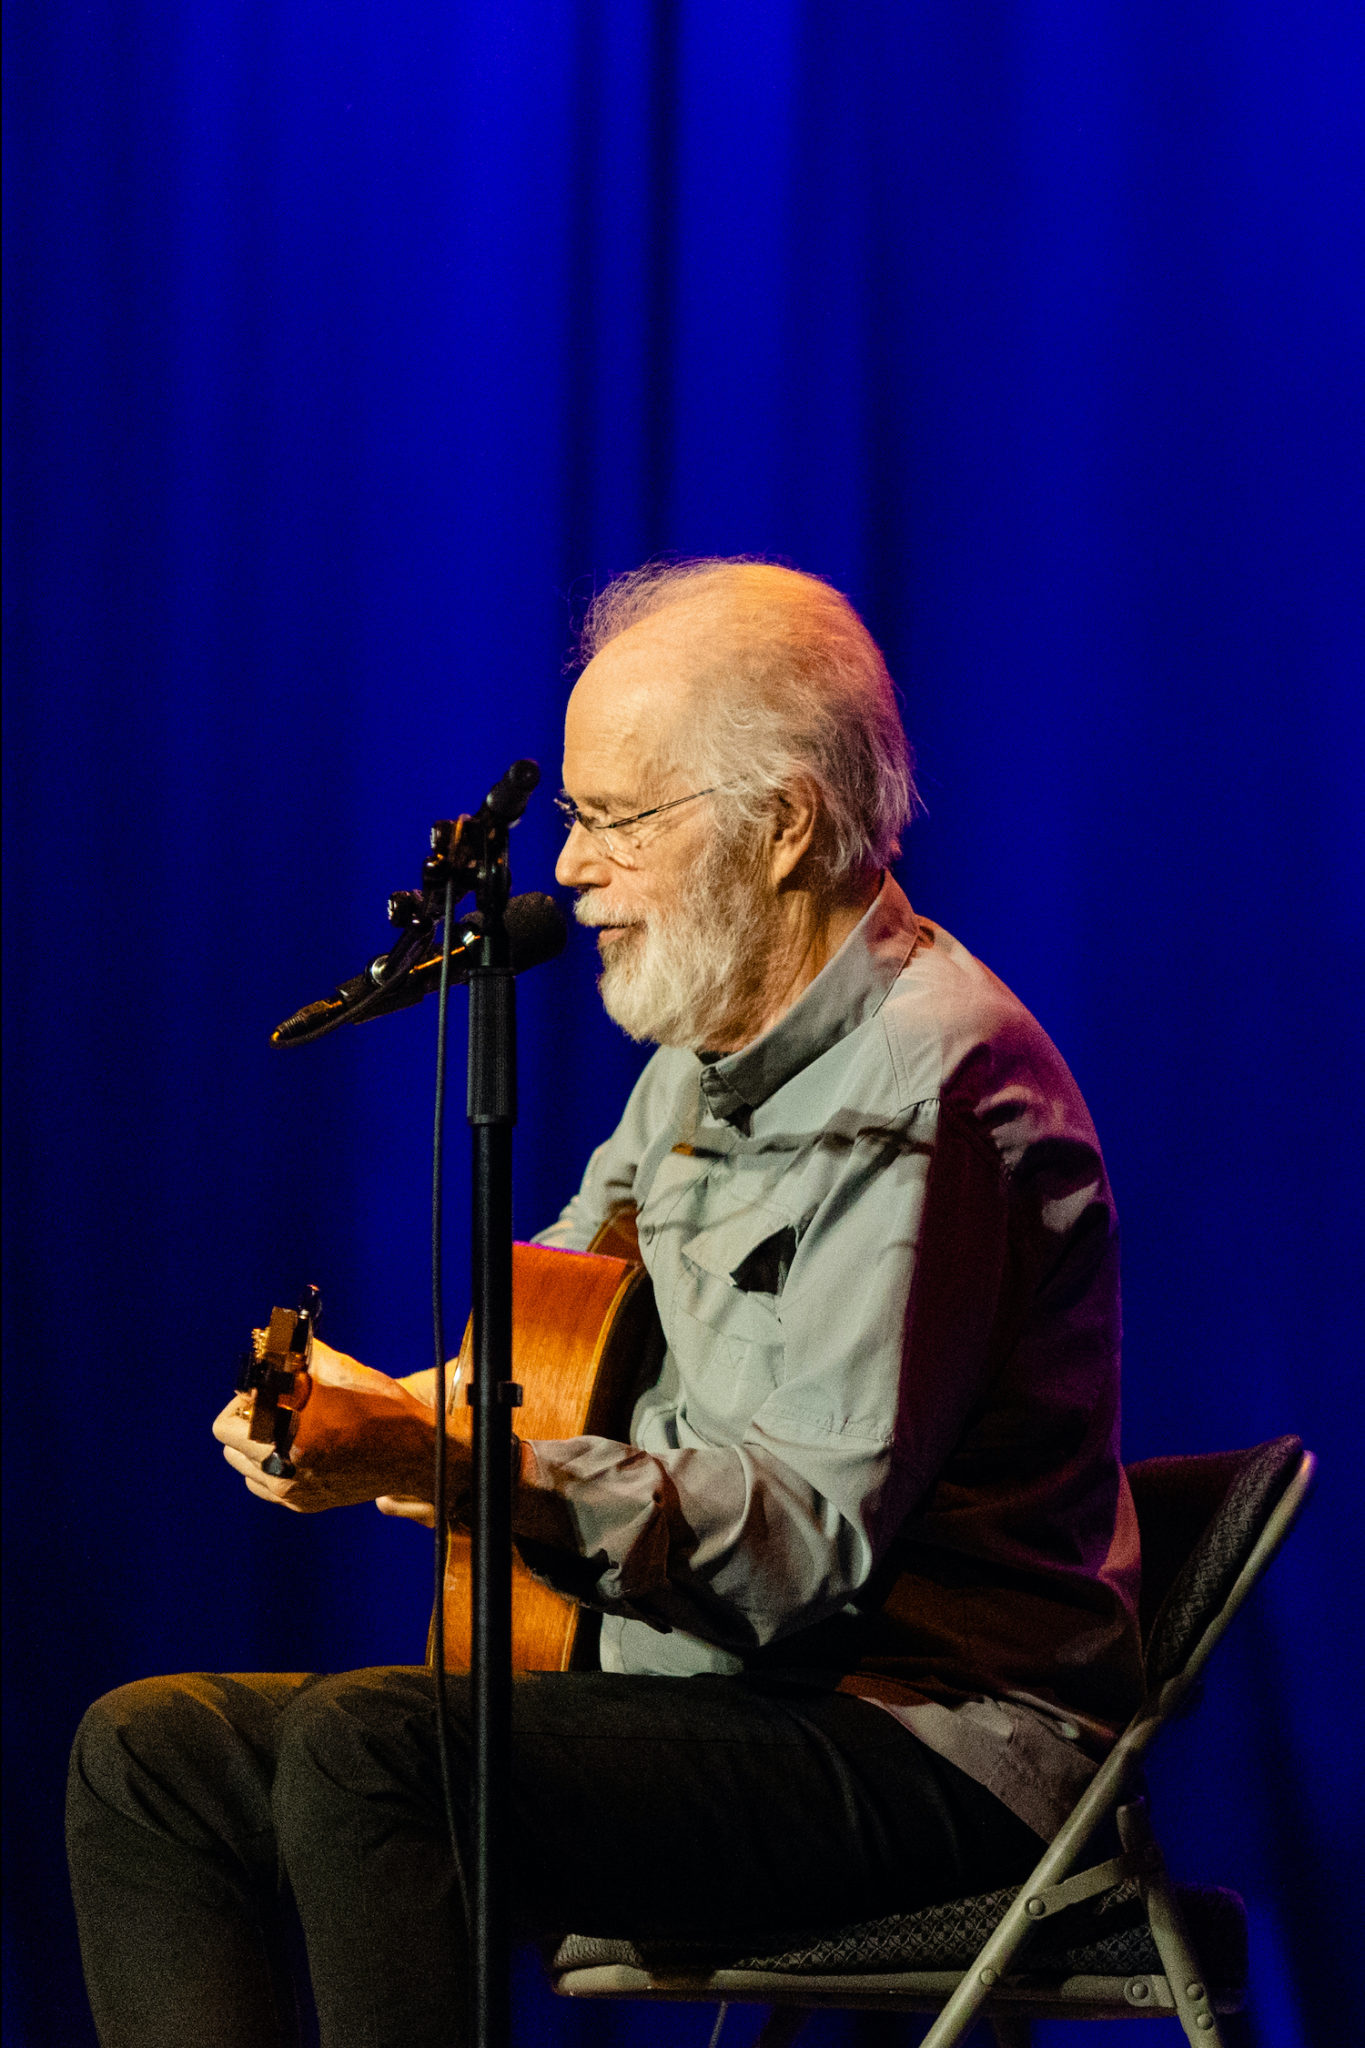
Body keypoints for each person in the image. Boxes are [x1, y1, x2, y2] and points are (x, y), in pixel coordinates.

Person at [67, 559, 1141, 2048]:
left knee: (378, 1751)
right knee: (149, 1755)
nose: (568, 870)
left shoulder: (931, 1091)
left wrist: (452, 1462)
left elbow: (801, 1547)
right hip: (712, 1693)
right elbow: (549, 1358)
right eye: (573, 817)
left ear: (782, 826)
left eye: (617, 819)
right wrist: (386, 1420)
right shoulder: (697, 1062)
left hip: (920, 1734)